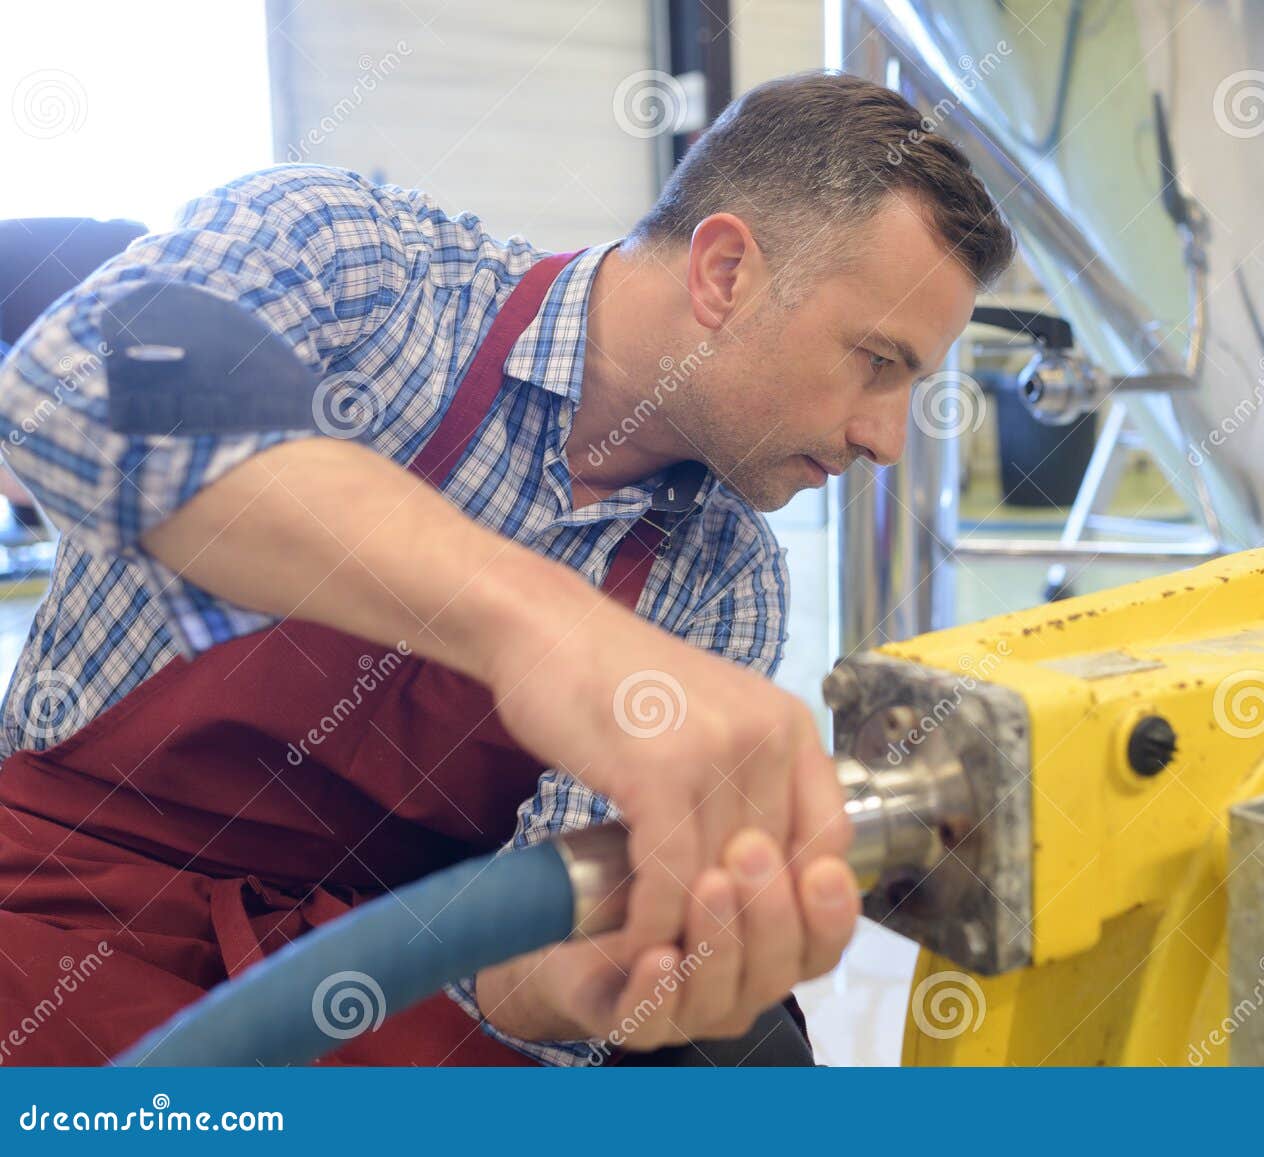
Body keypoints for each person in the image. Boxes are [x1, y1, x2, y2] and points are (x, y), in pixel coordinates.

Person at [0, 70, 1014, 1065]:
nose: (887, 436)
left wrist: (580, 987)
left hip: (388, 959)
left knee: (745, 1061)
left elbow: (526, 953)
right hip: (63, 902)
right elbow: (70, 392)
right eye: (877, 362)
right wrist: (549, 629)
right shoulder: (363, 264)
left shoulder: (723, 578)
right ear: (724, 273)